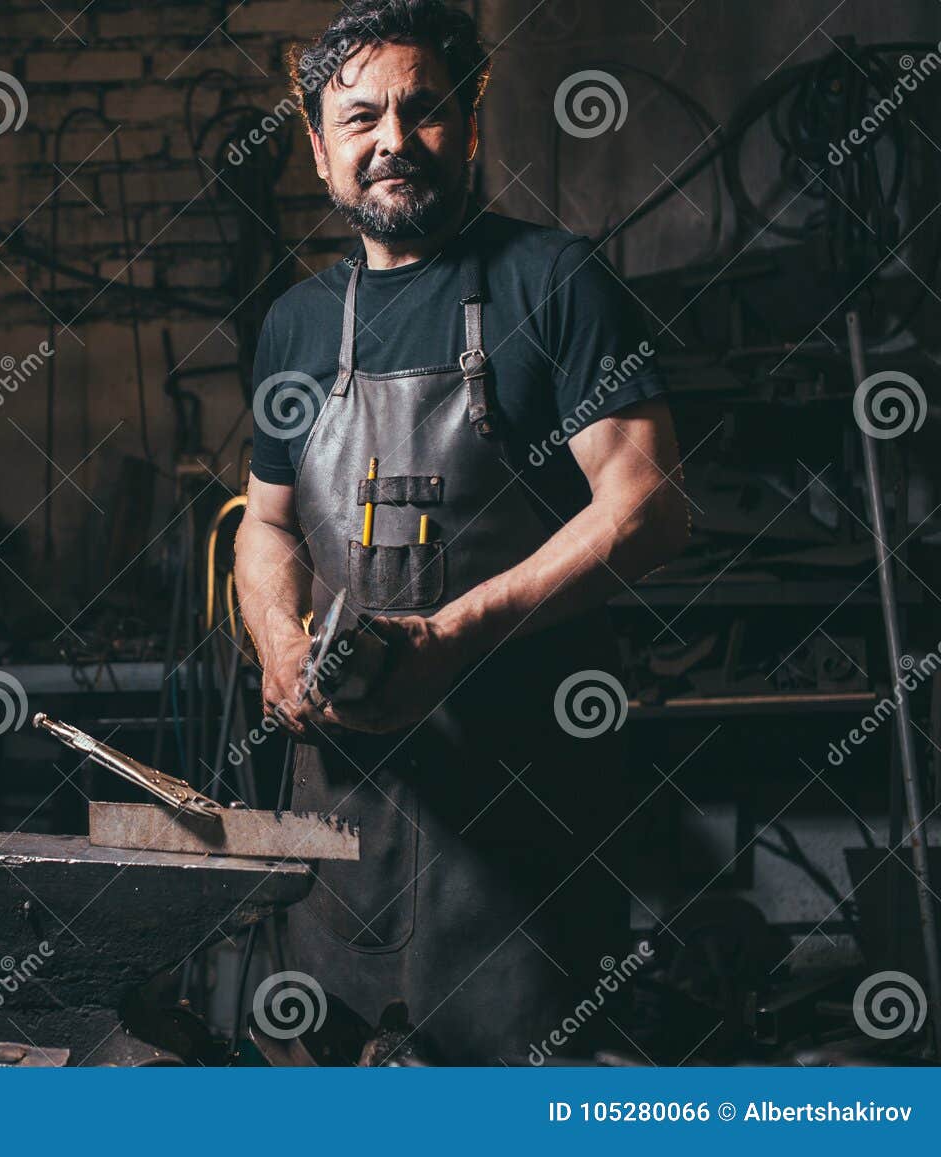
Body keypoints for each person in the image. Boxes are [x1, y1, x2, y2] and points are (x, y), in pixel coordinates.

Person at [234, 0, 690, 1063]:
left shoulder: (553, 280)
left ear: (469, 127)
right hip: (341, 830)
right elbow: (265, 526)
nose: (392, 140)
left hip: (523, 822)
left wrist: (455, 636)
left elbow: (648, 505)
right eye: (358, 119)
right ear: (317, 148)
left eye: (422, 109)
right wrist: (276, 637)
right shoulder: (296, 325)